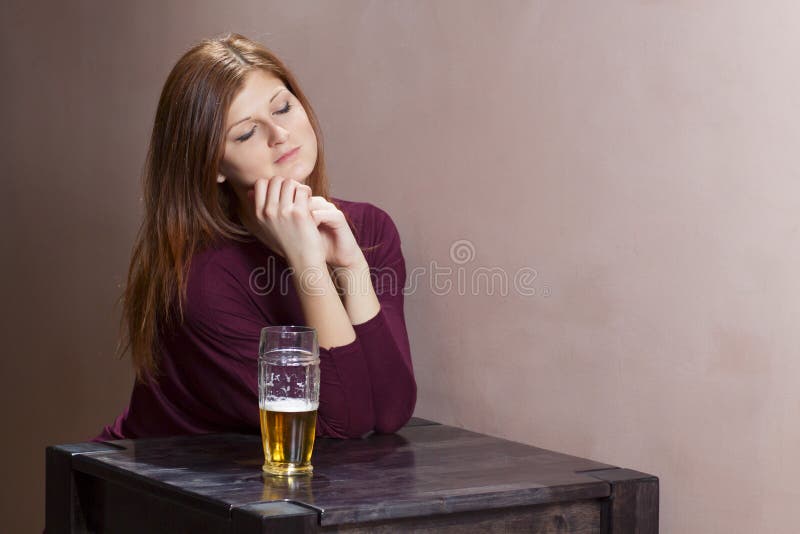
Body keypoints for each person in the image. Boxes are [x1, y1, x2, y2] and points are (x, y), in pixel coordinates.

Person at [95, 33, 416, 441]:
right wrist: (307, 262)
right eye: (246, 133)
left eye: (282, 107)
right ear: (213, 165)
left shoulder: (366, 231)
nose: (279, 134)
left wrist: (352, 265)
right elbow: (340, 424)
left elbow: (391, 411)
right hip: (148, 490)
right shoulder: (204, 281)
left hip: (272, 493)